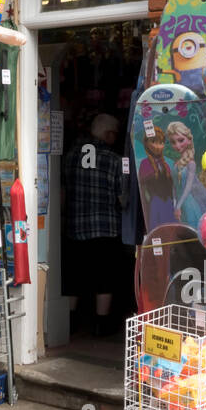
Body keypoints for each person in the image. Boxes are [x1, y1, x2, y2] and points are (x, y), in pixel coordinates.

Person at [62, 113, 127, 336]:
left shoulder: (70, 155)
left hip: (74, 227)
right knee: (104, 278)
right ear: (109, 134)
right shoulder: (114, 160)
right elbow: (123, 198)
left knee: (74, 277)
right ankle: (102, 326)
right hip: (105, 228)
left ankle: (69, 322)